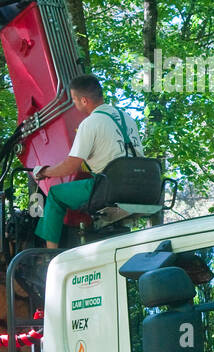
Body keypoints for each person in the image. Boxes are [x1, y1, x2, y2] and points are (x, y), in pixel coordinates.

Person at [32, 74, 143, 249]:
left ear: (84, 100)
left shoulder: (91, 123)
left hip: (110, 188)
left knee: (55, 194)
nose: (74, 105)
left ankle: (50, 255)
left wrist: (44, 172)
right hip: (140, 185)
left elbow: (70, 167)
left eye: (74, 100)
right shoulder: (127, 118)